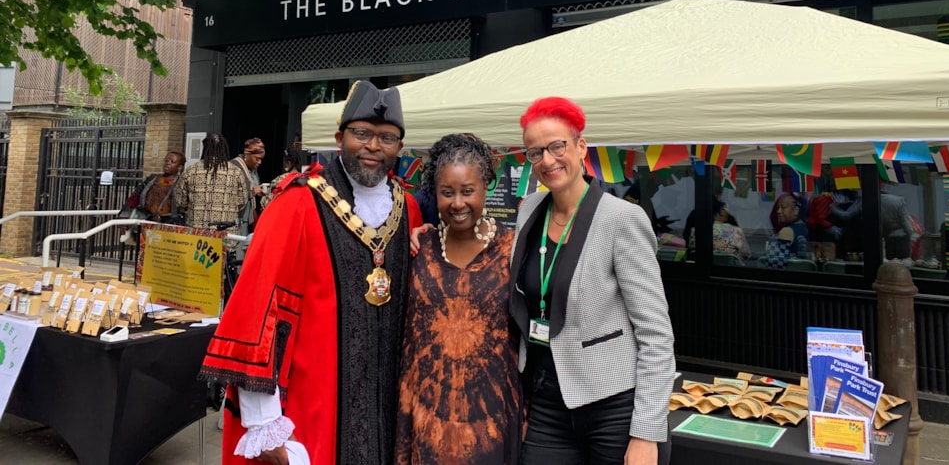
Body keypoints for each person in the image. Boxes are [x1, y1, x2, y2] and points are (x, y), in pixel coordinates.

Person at [199, 80, 423, 465]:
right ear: (339, 137)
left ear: (400, 148)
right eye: (362, 133)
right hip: (311, 412)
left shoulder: (410, 211)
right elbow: (260, 314)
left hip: (388, 411)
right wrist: (264, 424)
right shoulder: (297, 205)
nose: (373, 146)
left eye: (386, 137)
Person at [508, 97, 675, 465]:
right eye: (535, 152)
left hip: (613, 405)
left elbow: (656, 333)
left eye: (557, 146)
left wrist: (647, 431)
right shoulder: (531, 210)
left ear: (581, 147)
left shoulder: (621, 219)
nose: (547, 161)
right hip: (546, 400)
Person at [396, 133, 522, 465]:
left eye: (468, 191)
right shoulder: (418, 249)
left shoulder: (513, 250)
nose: (457, 203)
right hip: (427, 419)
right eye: (446, 192)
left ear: (486, 188)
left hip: (492, 420)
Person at [175, 133, 250, 232]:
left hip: (196, 234)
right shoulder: (236, 172)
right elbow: (242, 201)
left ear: (204, 148)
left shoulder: (190, 171)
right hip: (225, 234)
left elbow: (180, 202)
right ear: (224, 148)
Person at [121, 150, 186, 223]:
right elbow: (134, 198)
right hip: (145, 221)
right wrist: (124, 217)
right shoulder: (151, 180)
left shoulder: (181, 184)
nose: (168, 163)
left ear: (180, 167)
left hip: (168, 225)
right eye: (166, 160)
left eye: (172, 162)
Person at [231, 137, 266, 235]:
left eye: (261, 159)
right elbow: (230, 196)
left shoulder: (252, 169)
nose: (259, 162)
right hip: (236, 221)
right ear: (247, 154)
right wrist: (252, 192)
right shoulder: (234, 167)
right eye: (257, 158)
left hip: (247, 219)